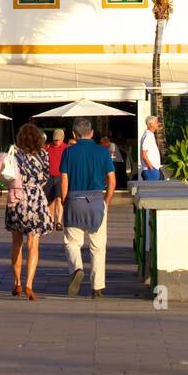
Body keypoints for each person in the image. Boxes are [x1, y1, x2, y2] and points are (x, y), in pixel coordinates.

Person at [60, 118, 115, 299]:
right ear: (92, 133)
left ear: (74, 134)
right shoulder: (103, 152)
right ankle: (97, 287)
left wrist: (63, 199)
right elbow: (112, 181)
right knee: (98, 247)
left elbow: (64, 180)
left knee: (72, 242)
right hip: (97, 200)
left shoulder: (68, 152)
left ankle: (77, 268)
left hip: (74, 200)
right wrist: (106, 200)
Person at [4, 123, 52, 300]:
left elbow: (8, 175)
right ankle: (29, 284)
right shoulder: (44, 154)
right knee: (33, 244)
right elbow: (46, 177)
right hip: (36, 199)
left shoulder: (15, 153)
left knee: (16, 242)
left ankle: (16, 282)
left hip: (16, 197)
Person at [46, 127, 68, 229]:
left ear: (62, 139)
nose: (56, 141)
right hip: (49, 177)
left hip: (61, 177)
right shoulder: (48, 148)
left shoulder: (67, 148)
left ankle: (58, 222)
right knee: (49, 200)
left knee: (59, 199)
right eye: (55, 139)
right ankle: (50, 221)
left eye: (58, 140)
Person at [139, 115, 163, 181]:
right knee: (153, 190)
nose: (158, 124)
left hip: (152, 170)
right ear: (151, 124)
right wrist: (151, 167)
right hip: (151, 170)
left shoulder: (149, 135)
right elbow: (143, 154)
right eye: (156, 122)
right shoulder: (148, 135)